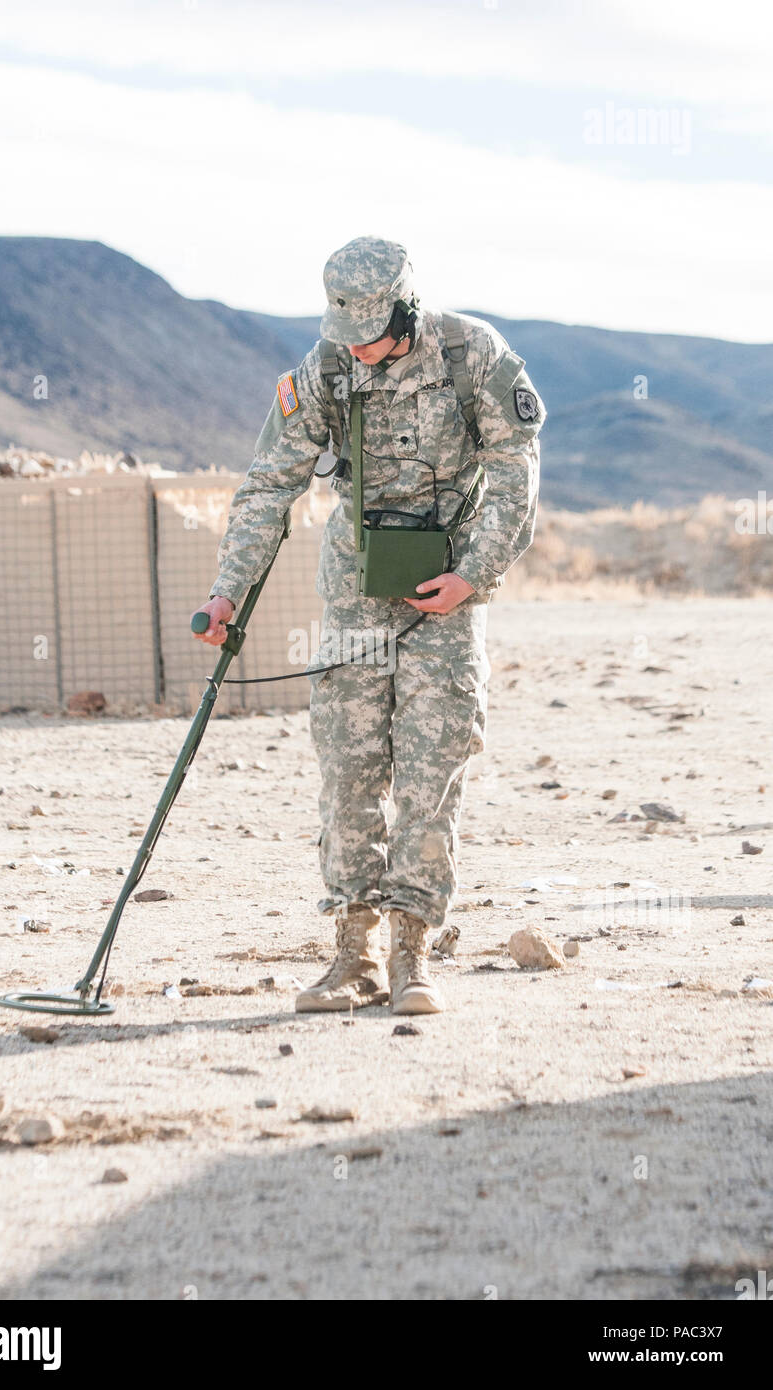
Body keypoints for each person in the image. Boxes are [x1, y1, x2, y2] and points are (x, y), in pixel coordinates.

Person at [194, 236, 544, 1015]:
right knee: (348, 770)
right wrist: (225, 592)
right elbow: (266, 487)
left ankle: (414, 953)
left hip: (445, 601)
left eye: (372, 331)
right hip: (355, 598)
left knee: (430, 771)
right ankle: (352, 957)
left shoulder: (472, 356)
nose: (358, 345)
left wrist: (471, 576)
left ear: (407, 310)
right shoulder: (325, 368)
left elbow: (517, 470)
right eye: (345, 330)